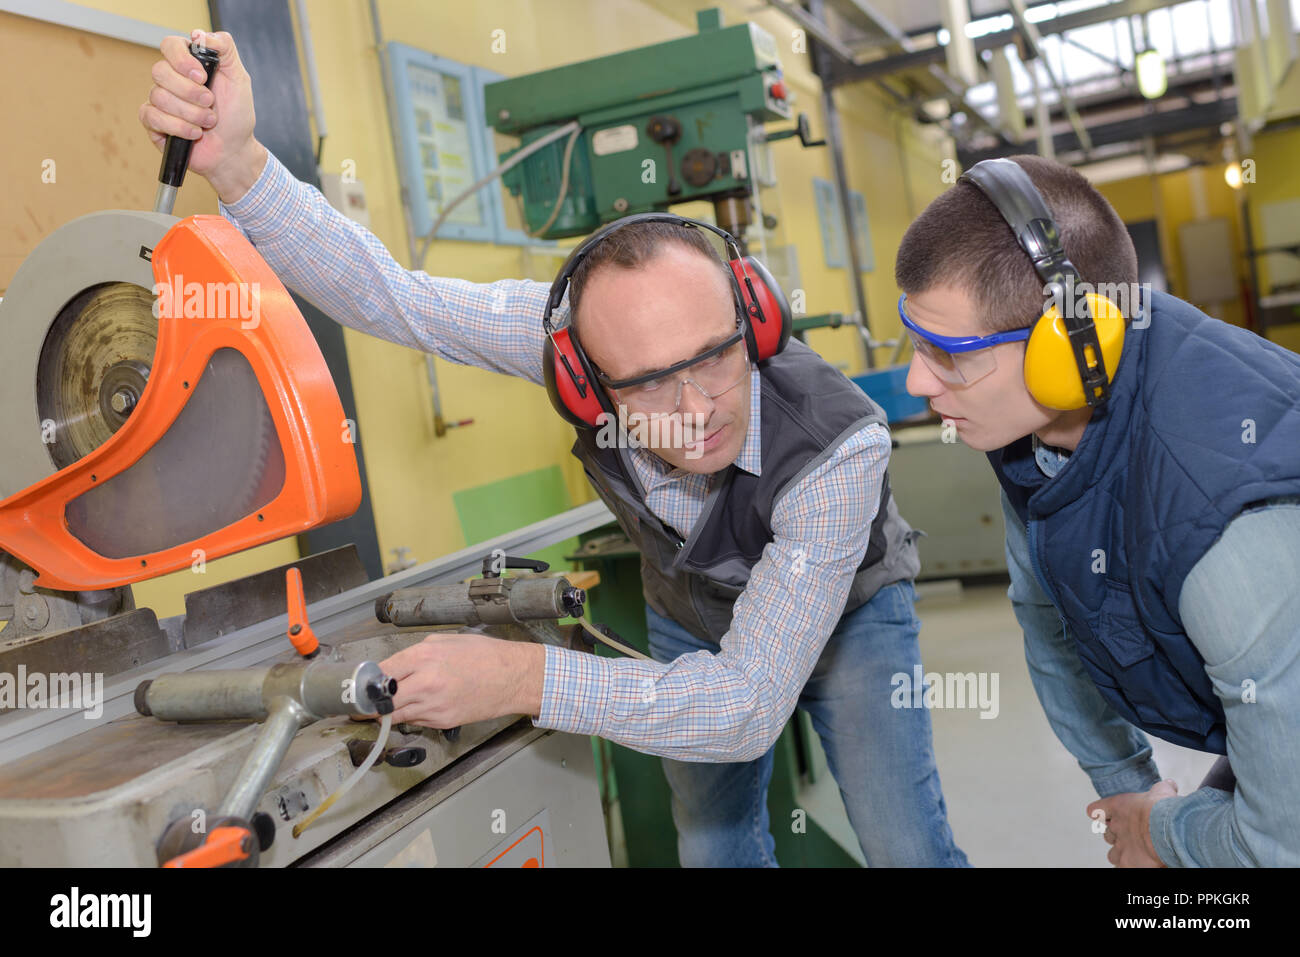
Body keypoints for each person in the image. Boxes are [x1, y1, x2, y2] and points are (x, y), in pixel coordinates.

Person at [141, 30, 969, 867]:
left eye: (716, 356)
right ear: (580, 374)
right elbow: (395, 297)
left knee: (906, 845)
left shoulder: (839, 450)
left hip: (851, 618)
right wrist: (240, 162)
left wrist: (517, 678)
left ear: (752, 318)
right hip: (689, 608)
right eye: (646, 381)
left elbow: (746, 708)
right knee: (713, 841)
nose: (696, 412)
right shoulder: (560, 335)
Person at [894, 153, 1300, 866]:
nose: (915, 378)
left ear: (1069, 347)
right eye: (914, 338)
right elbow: (1045, 612)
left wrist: (1159, 833)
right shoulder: (1044, 419)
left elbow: (1281, 843)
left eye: (947, 353)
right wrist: (1123, 785)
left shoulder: (1229, 535)